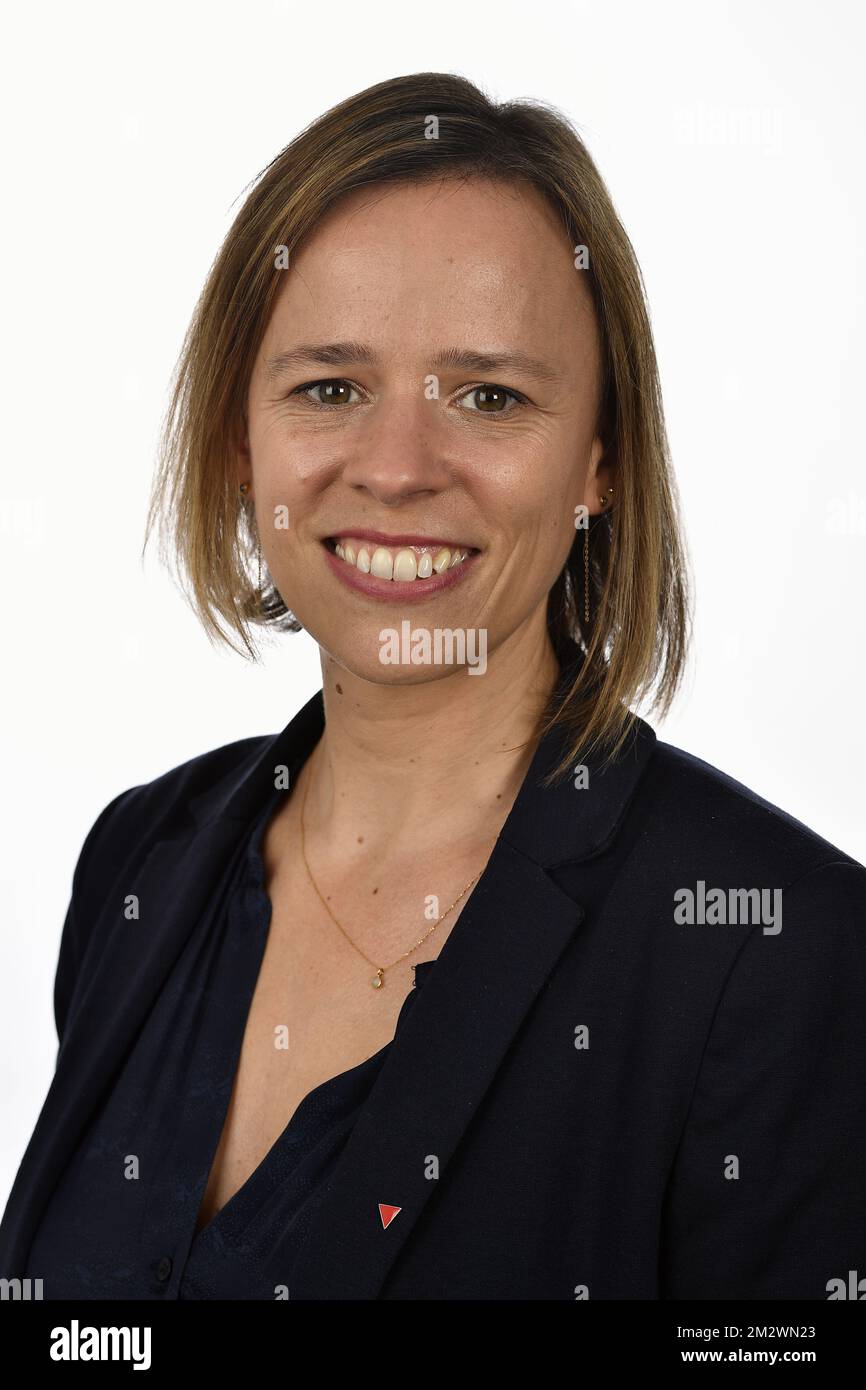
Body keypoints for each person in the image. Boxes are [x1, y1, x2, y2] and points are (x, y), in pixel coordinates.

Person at [1, 72, 864, 1301]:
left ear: (600, 462)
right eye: (330, 387)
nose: (397, 468)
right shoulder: (142, 864)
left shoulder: (778, 951)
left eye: (490, 396)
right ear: (242, 441)